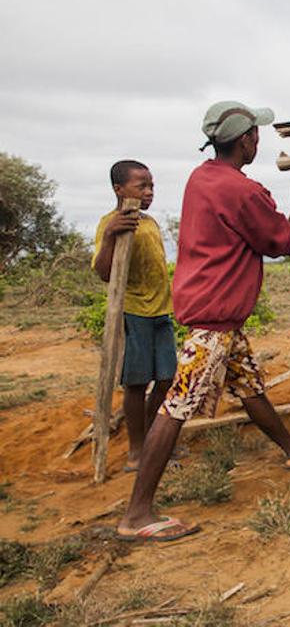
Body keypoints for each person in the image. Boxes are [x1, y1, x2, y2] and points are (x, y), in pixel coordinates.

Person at [117, 101, 290, 542]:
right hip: (214, 320)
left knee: (248, 384)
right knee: (177, 406)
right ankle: (136, 514)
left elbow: (270, 233)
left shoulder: (203, 178)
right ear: (246, 140)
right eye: (255, 134)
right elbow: (285, 241)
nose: (257, 140)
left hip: (216, 313)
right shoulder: (241, 191)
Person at [93, 160, 175, 473]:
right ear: (119, 189)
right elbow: (104, 272)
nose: (149, 192)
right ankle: (137, 450)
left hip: (161, 311)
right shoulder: (109, 223)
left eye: (151, 185)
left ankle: (155, 438)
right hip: (133, 312)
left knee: (167, 379)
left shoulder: (150, 222)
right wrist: (111, 236)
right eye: (141, 186)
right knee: (137, 383)